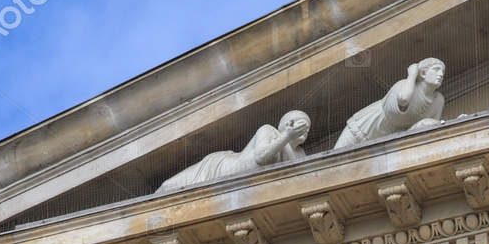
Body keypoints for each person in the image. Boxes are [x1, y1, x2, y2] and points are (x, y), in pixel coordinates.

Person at [155, 110, 311, 194]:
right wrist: (287, 136)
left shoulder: (300, 155)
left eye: (307, 128)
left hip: (242, 189)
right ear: (286, 124)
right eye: (300, 123)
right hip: (218, 168)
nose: (305, 129)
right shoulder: (269, 131)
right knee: (168, 187)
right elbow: (261, 157)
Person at [333, 59, 446, 150]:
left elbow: (434, 126)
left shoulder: (438, 100)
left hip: (386, 142)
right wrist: (411, 75)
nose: (440, 74)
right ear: (423, 73)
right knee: (333, 162)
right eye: (436, 69)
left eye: (442, 72)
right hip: (365, 126)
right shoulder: (404, 85)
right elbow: (403, 100)